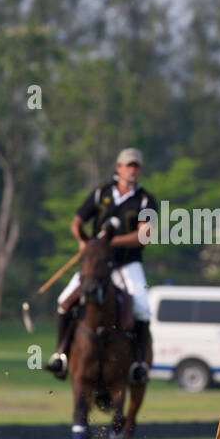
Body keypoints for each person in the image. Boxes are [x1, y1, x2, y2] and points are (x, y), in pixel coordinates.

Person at [48, 148, 157, 383]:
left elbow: (143, 236)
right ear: (118, 168)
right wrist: (82, 242)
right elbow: (76, 223)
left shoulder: (146, 200)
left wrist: (106, 242)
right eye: (128, 165)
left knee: (142, 308)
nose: (132, 170)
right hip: (96, 266)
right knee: (64, 302)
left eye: (136, 166)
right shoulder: (101, 193)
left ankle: (138, 364)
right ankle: (61, 355)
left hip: (127, 264)